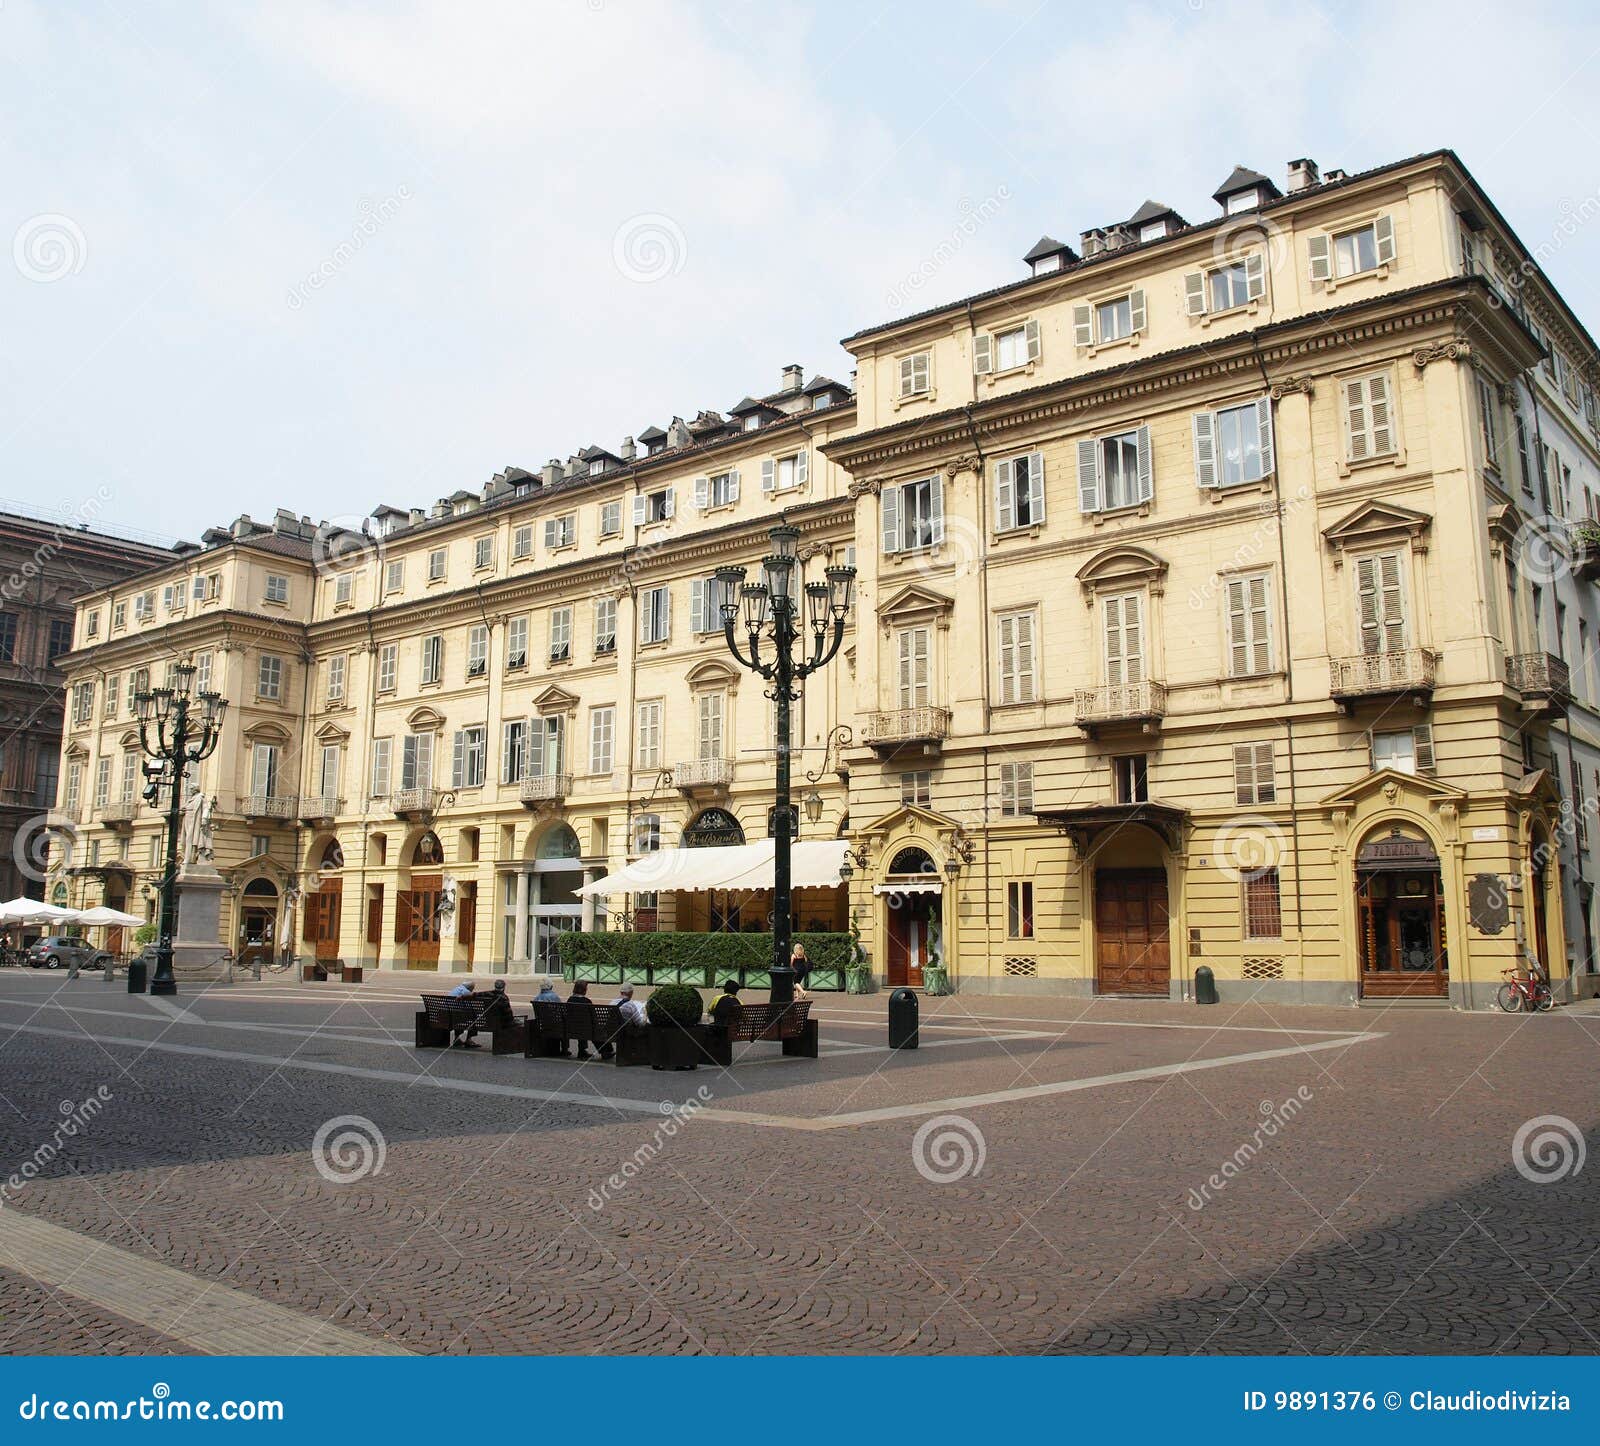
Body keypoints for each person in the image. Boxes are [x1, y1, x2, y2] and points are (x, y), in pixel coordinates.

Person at [597, 982, 647, 1060]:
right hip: (625, 1033)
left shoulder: (612, 1003)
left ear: (621, 992)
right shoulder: (631, 1005)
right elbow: (639, 1024)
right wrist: (645, 1015)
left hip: (610, 1032)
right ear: (631, 993)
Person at [566, 979, 598, 1060]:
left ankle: (582, 1051)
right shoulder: (587, 1001)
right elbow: (593, 1016)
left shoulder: (570, 1000)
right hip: (585, 1029)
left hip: (570, 1028)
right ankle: (606, 1051)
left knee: (581, 1024)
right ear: (584, 990)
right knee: (590, 1026)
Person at [448, 978, 480, 1048]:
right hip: (459, 1016)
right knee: (474, 1017)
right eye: (473, 988)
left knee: (458, 1015)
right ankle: (469, 1040)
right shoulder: (467, 992)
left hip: (450, 1015)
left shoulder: (455, 989)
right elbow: (470, 1007)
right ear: (471, 987)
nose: (473, 989)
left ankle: (457, 1039)